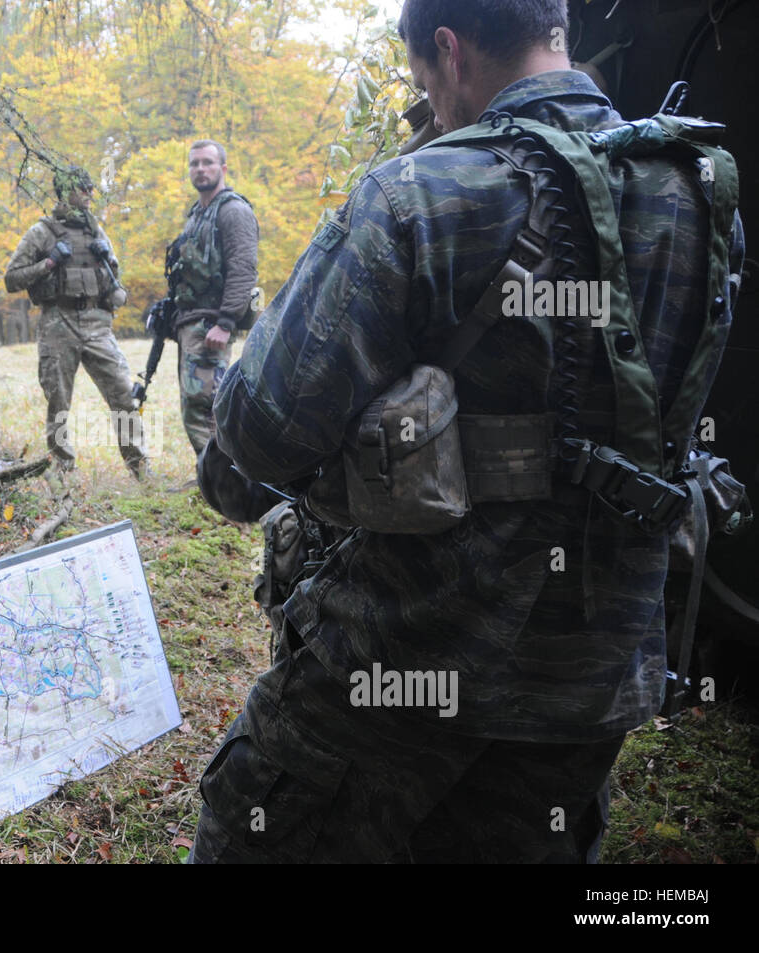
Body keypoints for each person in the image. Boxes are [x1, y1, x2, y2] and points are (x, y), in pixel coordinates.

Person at [190, 0, 742, 863]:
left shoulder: (420, 192)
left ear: (447, 51)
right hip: (591, 685)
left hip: (400, 659)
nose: (435, 111)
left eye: (424, 85)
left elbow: (259, 434)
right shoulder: (699, 192)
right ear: (554, 29)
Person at [4, 167, 149, 479]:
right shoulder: (41, 232)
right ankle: (63, 470)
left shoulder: (96, 231)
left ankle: (140, 468)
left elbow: (115, 283)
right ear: (64, 192)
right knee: (58, 400)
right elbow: (11, 279)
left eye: (90, 188)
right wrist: (49, 262)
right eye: (82, 189)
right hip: (58, 321)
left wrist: (110, 271)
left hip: (97, 323)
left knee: (124, 393)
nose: (89, 195)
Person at [168, 141, 259, 456]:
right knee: (194, 405)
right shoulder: (197, 214)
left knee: (206, 407)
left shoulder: (233, 211)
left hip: (212, 325)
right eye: (194, 164)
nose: (200, 169)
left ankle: (226, 484)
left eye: (207, 163)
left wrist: (226, 321)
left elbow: (243, 268)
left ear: (222, 168)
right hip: (192, 323)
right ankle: (209, 480)